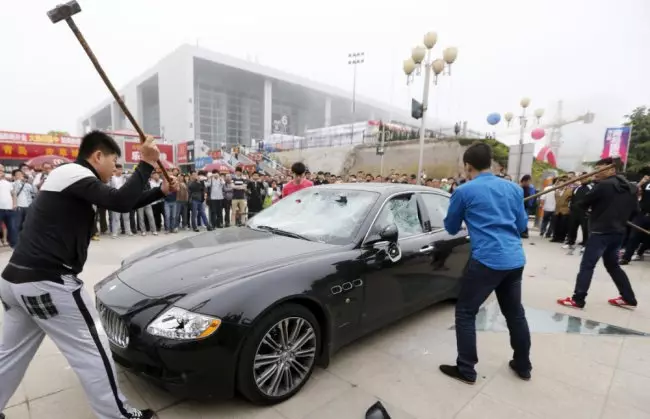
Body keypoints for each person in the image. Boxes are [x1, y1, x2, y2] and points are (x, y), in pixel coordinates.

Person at [0, 131, 177, 419]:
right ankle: (117, 416)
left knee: (9, 355)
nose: (115, 168)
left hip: (16, 281)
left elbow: (124, 201)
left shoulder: (72, 179)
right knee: (93, 352)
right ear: (97, 156)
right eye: (113, 161)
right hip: (48, 283)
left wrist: (160, 192)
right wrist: (146, 163)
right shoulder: (72, 172)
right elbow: (120, 201)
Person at [440, 142, 531, 384]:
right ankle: (523, 366)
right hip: (514, 260)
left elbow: (450, 228)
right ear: (490, 163)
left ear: (467, 166)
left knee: (466, 312)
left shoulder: (463, 191)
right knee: (515, 313)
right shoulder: (513, 189)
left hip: (487, 261)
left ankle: (466, 369)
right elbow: (522, 226)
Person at [557, 158, 639, 309]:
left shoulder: (603, 186)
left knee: (587, 265)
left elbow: (582, 204)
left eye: (599, 169)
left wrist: (591, 209)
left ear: (611, 169)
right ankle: (628, 297)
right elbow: (635, 211)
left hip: (600, 232)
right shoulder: (631, 188)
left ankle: (578, 299)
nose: (596, 173)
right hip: (618, 232)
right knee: (612, 265)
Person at [620, 175, 650, 264]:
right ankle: (626, 258)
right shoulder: (647, 184)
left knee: (648, 239)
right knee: (633, 236)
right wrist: (641, 182)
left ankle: (640, 252)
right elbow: (634, 191)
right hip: (642, 214)